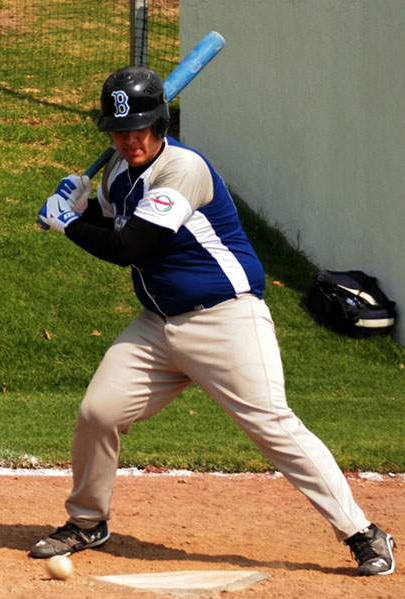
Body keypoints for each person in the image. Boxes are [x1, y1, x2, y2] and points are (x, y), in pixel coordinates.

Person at [31, 66, 395, 576]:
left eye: (139, 127)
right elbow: (117, 227)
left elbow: (132, 246)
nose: (129, 139)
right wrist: (83, 207)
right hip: (157, 327)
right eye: (119, 130)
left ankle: (363, 532)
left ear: (159, 124)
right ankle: (88, 521)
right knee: (98, 413)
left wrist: (68, 224)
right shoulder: (116, 172)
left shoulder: (185, 170)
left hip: (228, 320)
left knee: (273, 427)